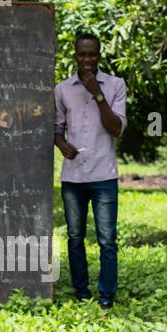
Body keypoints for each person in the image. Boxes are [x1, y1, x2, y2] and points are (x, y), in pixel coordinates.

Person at [53, 32, 127, 310]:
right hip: (73, 176)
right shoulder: (62, 89)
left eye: (92, 54)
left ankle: (106, 295)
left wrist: (97, 92)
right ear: (75, 56)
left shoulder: (116, 85)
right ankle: (81, 292)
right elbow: (56, 128)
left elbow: (116, 128)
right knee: (75, 237)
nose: (87, 59)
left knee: (107, 240)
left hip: (104, 175)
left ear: (99, 55)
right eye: (82, 54)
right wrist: (62, 145)